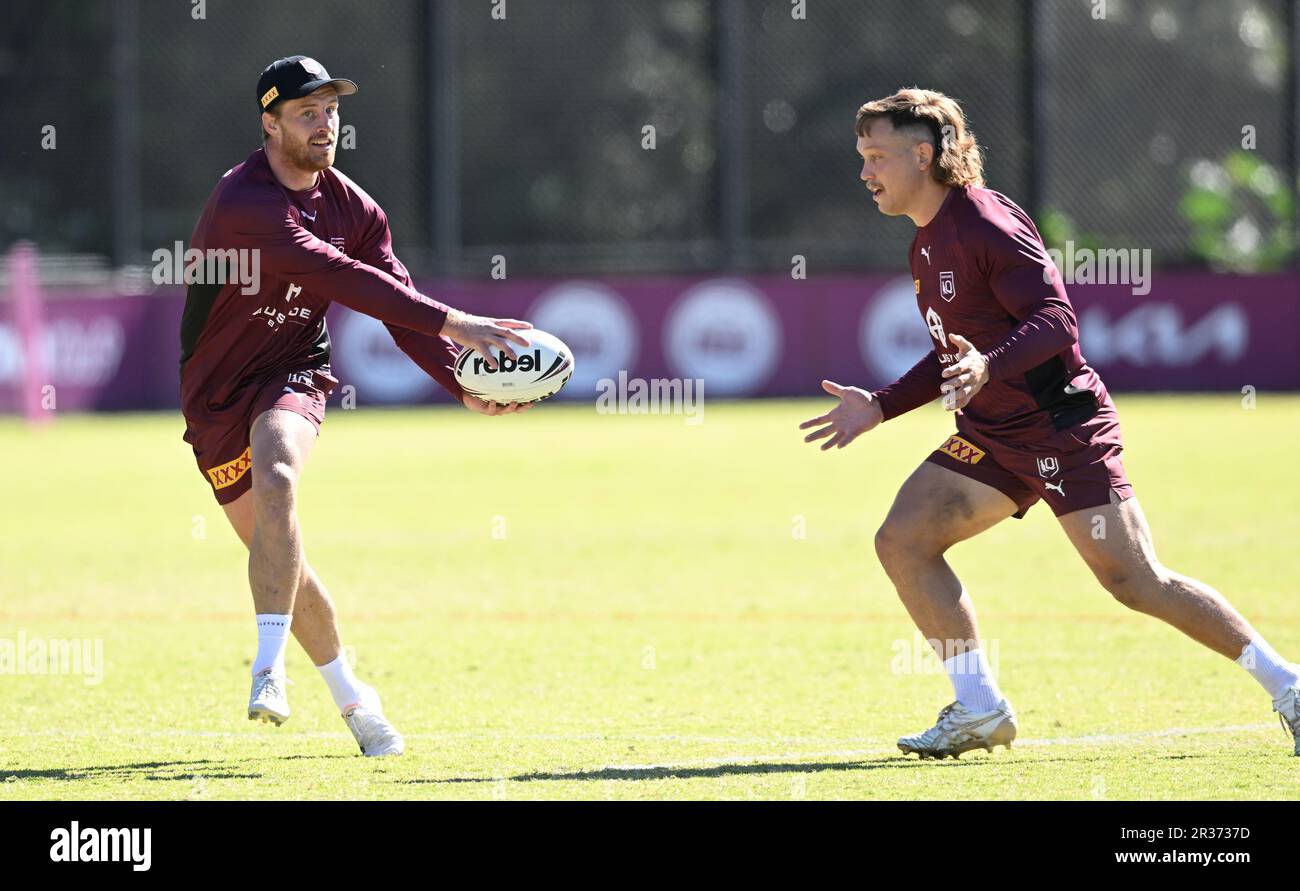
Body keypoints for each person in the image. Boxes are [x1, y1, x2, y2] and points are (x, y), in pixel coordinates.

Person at [799, 87, 1300, 759]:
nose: (865, 172)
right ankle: (980, 708)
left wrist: (990, 367)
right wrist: (881, 405)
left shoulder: (984, 224)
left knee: (1136, 581)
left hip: (1060, 425)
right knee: (903, 539)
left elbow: (1057, 319)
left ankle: (1288, 684)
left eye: (877, 156)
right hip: (996, 434)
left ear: (923, 155)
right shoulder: (925, 242)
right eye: (863, 156)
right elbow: (956, 350)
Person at [180, 55, 533, 756]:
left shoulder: (357, 209)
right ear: (269, 124)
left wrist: (458, 382)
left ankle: (267, 666)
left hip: (292, 369)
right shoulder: (243, 200)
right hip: (215, 395)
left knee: (280, 473)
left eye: (332, 110)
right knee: (281, 556)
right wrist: (457, 322)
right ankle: (355, 698)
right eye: (307, 112)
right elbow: (336, 275)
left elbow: (395, 303)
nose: (325, 123)